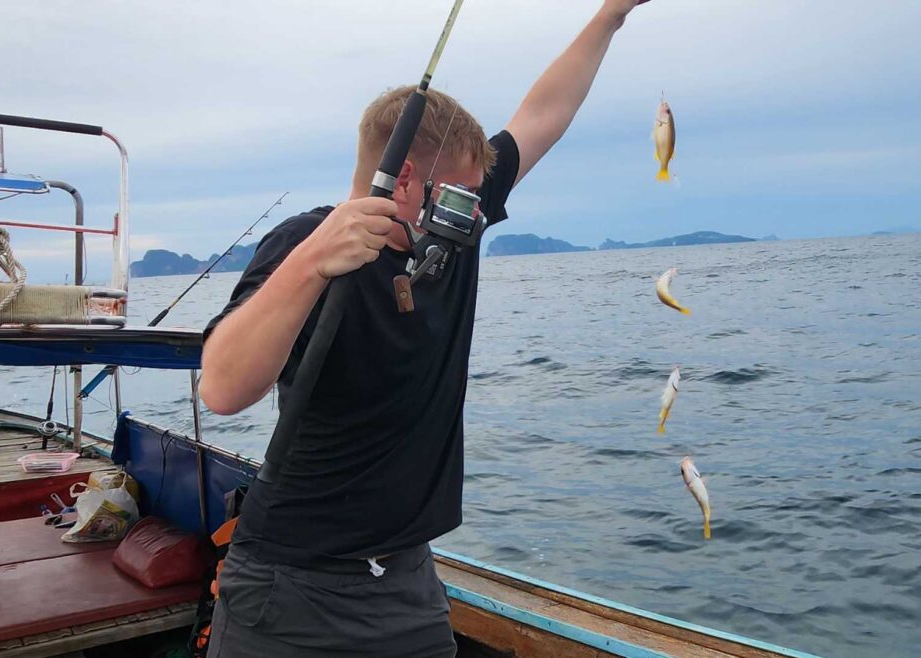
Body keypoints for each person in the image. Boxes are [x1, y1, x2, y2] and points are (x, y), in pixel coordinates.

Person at [199, 2, 648, 655]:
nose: (476, 214)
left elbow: (544, 116)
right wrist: (311, 265)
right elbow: (222, 387)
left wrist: (612, 14)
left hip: (407, 582)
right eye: (464, 195)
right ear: (405, 180)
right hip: (289, 588)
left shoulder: (451, 232)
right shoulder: (301, 246)